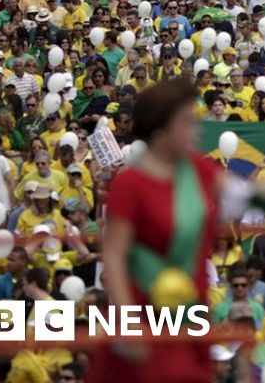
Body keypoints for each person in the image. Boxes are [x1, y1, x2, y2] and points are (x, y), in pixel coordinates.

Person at [94, 79, 227, 383]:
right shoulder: (129, 184)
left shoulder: (198, 169)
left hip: (190, 311)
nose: (196, 131)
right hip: (144, 312)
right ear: (162, 129)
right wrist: (130, 326)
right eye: (187, 122)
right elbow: (114, 258)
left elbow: (243, 194)